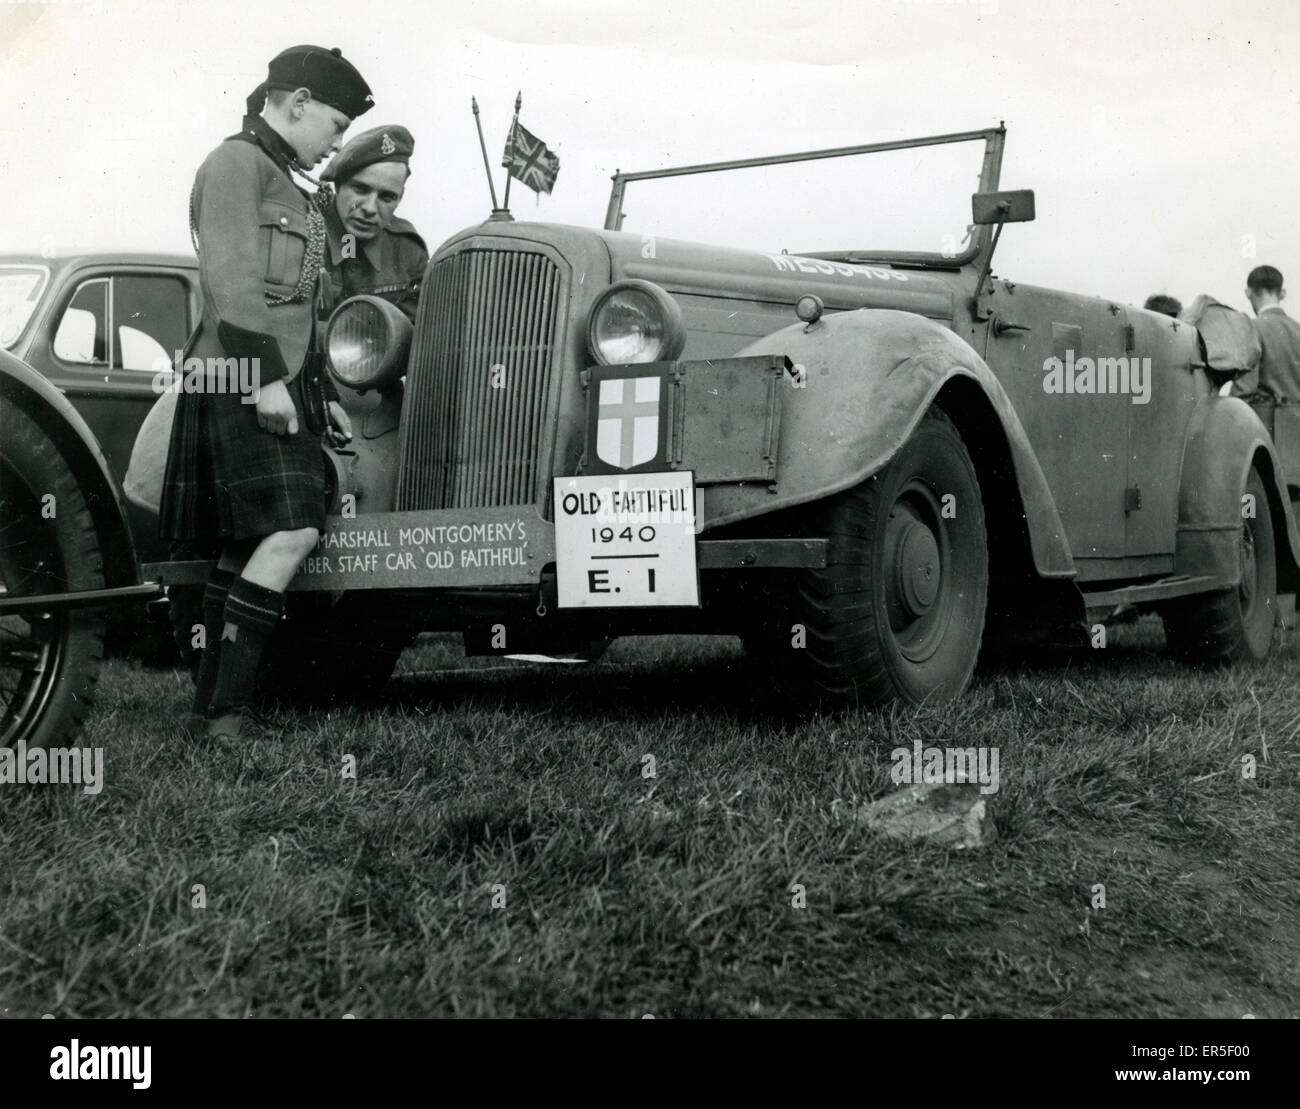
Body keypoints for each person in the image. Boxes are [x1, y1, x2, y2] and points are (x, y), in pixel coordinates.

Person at [159, 45, 374, 743]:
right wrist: (267, 382)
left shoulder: (292, 183)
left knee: (245, 543)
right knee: (292, 532)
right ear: (297, 101)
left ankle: (214, 713)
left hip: (278, 382)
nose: (338, 141)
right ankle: (227, 713)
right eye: (335, 123)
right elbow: (234, 285)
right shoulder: (233, 166)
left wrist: (323, 393)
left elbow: (303, 308)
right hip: (239, 377)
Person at [317, 125, 428, 323]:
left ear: (400, 198)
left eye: (387, 197)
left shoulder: (408, 251)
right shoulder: (303, 228)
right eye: (360, 189)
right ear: (338, 186)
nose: (370, 208)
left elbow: (416, 336)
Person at [1231, 265, 1300, 403]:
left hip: (1267, 422)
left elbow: (1243, 390)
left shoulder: (1251, 328)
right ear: (1282, 293)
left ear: (1248, 293)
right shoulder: (1298, 328)